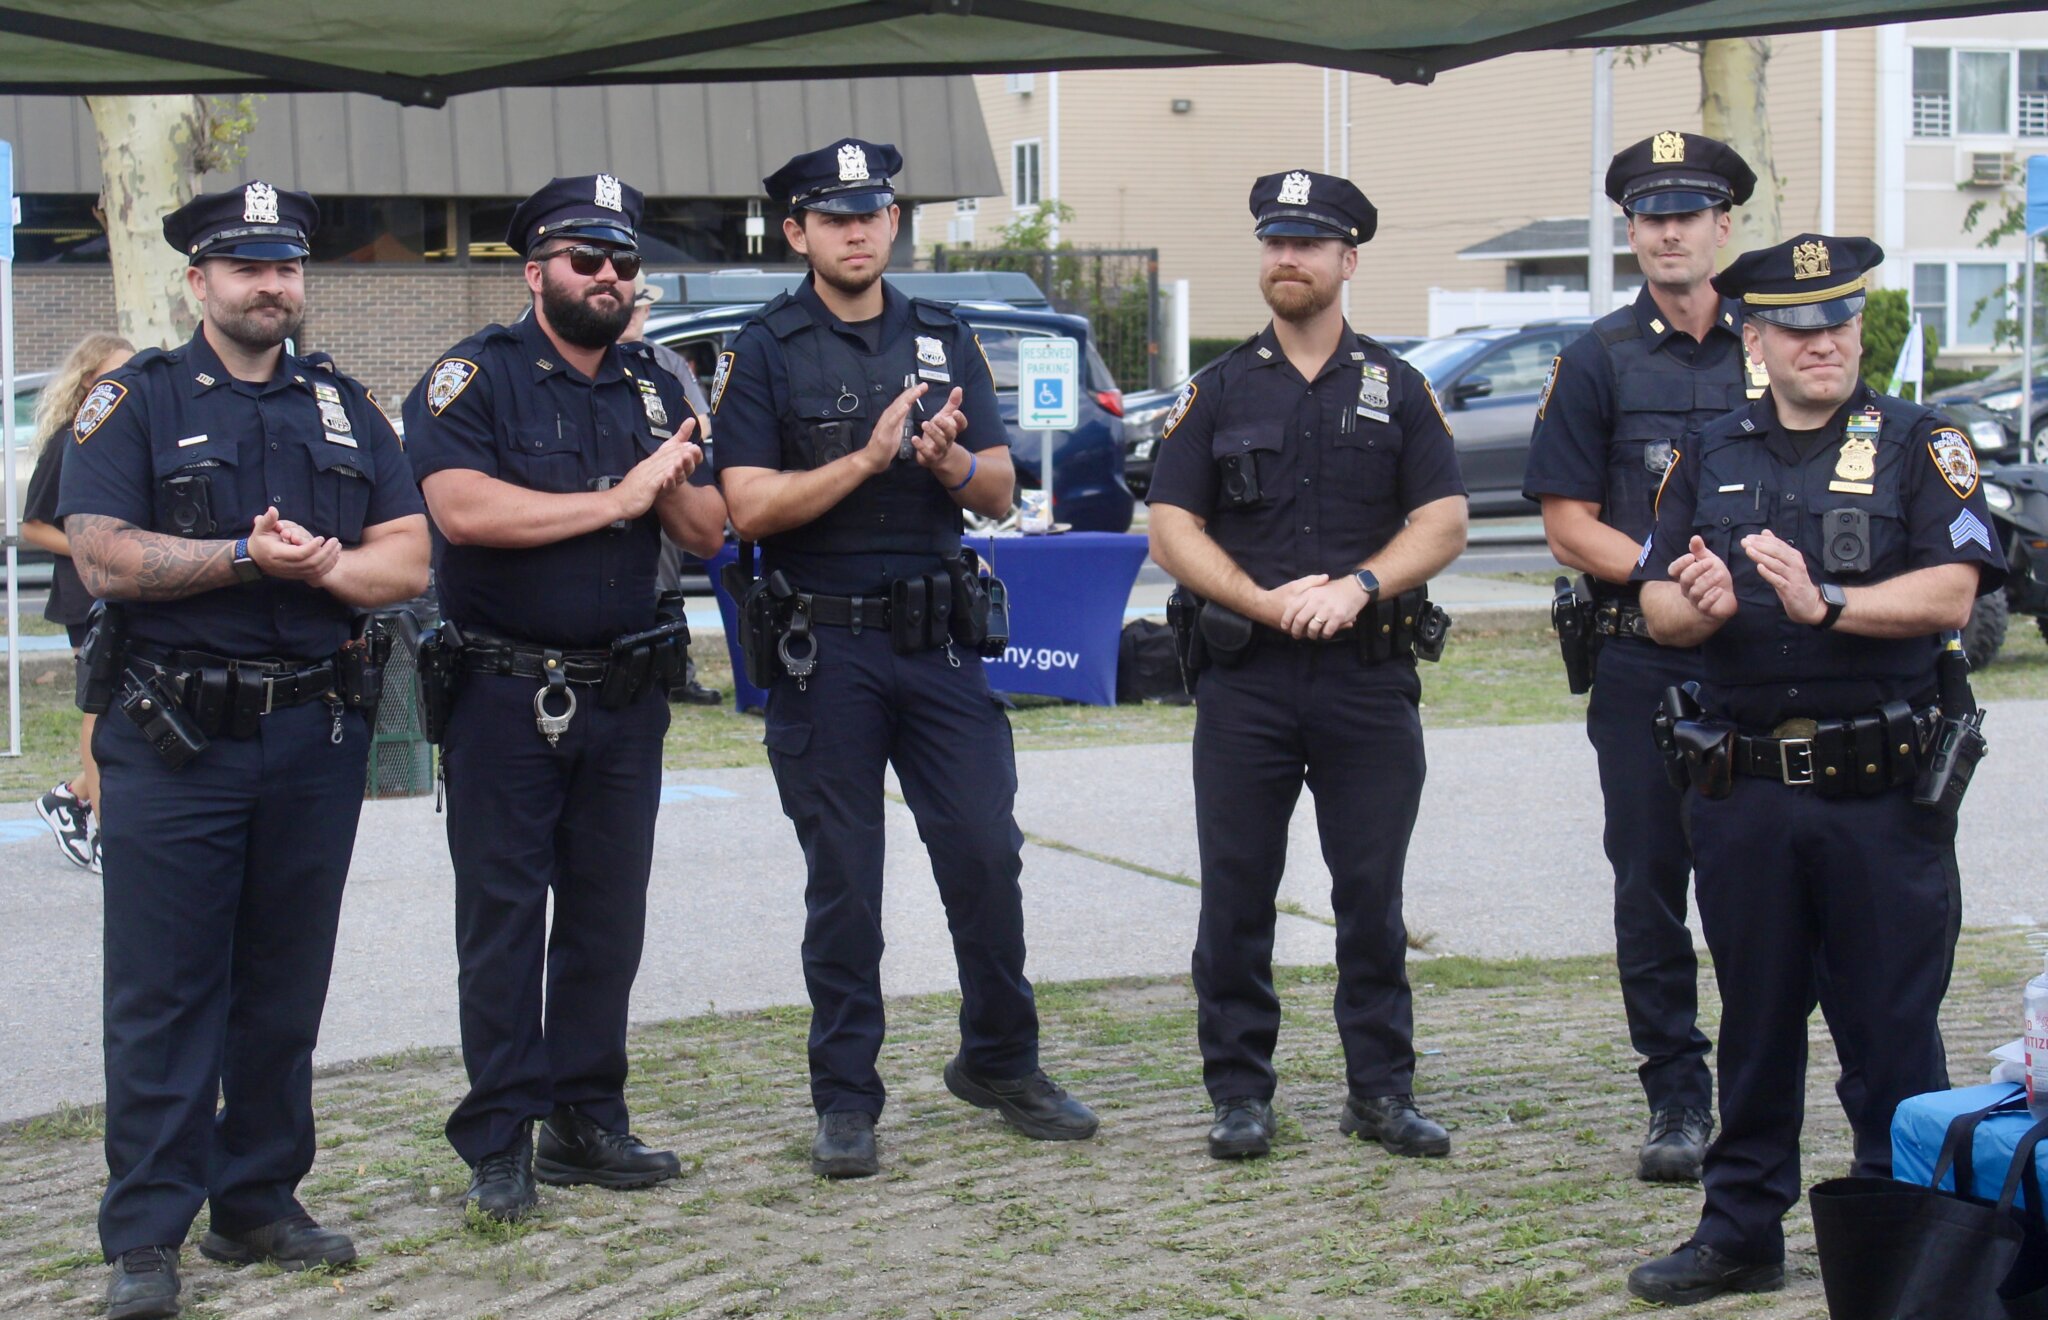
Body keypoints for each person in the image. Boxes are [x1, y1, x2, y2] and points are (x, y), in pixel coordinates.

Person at [58, 182, 430, 1320]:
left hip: (314, 734)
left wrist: (319, 569)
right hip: (177, 739)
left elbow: (407, 557)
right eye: (246, 267)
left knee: (281, 985)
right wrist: (242, 557)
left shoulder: (344, 406)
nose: (273, 285)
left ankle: (257, 1200)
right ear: (199, 282)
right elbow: (103, 556)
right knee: (168, 994)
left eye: (287, 267)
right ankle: (147, 1233)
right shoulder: (135, 400)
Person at [1628, 235, 2004, 1304]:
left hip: (1879, 791)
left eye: (1838, 321)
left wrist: (1825, 604)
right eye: (1796, 326)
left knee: (1889, 1028)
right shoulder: (1708, 453)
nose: (1822, 342)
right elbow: (1652, 597)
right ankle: (1740, 1230)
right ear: (1754, 341)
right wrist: (1689, 610)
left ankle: (1908, 1240)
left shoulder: (1918, 441)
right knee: (1751, 1021)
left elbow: (1950, 595)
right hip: (1742, 790)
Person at [714, 137, 1098, 1178]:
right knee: (843, 881)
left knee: (983, 851)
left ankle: (998, 1061)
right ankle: (846, 1098)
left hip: (935, 647)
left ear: (891, 223)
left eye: (871, 213)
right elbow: (745, 506)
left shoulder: (942, 334)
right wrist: (866, 460)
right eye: (833, 217)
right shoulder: (767, 348)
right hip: (821, 649)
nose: (856, 230)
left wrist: (948, 462)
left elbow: (1000, 489)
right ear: (796, 232)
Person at [403, 173, 727, 1221]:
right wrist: (615, 497)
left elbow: (709, 533)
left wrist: (670, 482)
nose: (609, 278)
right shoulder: (474, 376)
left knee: (603, 919)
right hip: (505, 690)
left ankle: (586, 1119)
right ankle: (499, 1138)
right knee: (503, 921)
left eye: (625, 262)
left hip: (627, 691)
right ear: (535, 270)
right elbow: (459, 512)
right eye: (586, 259)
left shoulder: (659, 381)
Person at [1147, 170, 1469, 1163]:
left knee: (1368, 896)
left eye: (1308, 243)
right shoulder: (1216, 389)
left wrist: (1359, 585)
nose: (1286, 259)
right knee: (1235, 893)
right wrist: (1258, 598)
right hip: (1246, 681)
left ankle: (1379, 1091)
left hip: (1367, 679)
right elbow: (1168, 524)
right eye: (1273, 242)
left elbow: (1444, 520)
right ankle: (1238, 1092)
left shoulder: (1398, 387)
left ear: (1346, 260)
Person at [1520, 131, 1761, 1184]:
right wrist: (1666, 582)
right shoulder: (1595, 360)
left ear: (1722, 227)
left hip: (1764, 660)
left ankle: (1758, 1089)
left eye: (1687, 213)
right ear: (1629, 233)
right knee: (1650, 880)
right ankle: (1674, 1091)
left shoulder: (1774, 343)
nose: (1667, 231)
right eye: (1648, 216)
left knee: (1760, 877)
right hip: (1641, 663)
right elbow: (1568, 524)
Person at [22, 332, 135, 873]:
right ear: (86, 381)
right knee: (100, 704)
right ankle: (103, 827)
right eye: (110, 375)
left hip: (126, 589)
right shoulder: (68, 441)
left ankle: (71, 795)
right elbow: (33, 527)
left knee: (124, 708)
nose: (121, 386)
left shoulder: (131, 437)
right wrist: (93, 547)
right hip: (81, 594)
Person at [621, 280, 723, 706]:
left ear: (646, 313)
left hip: (662, 493)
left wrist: (661, 455)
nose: (632, 316)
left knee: (664, 588)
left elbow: (702, 422)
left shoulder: (664, 363)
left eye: (638, 309)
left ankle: (676, 671)